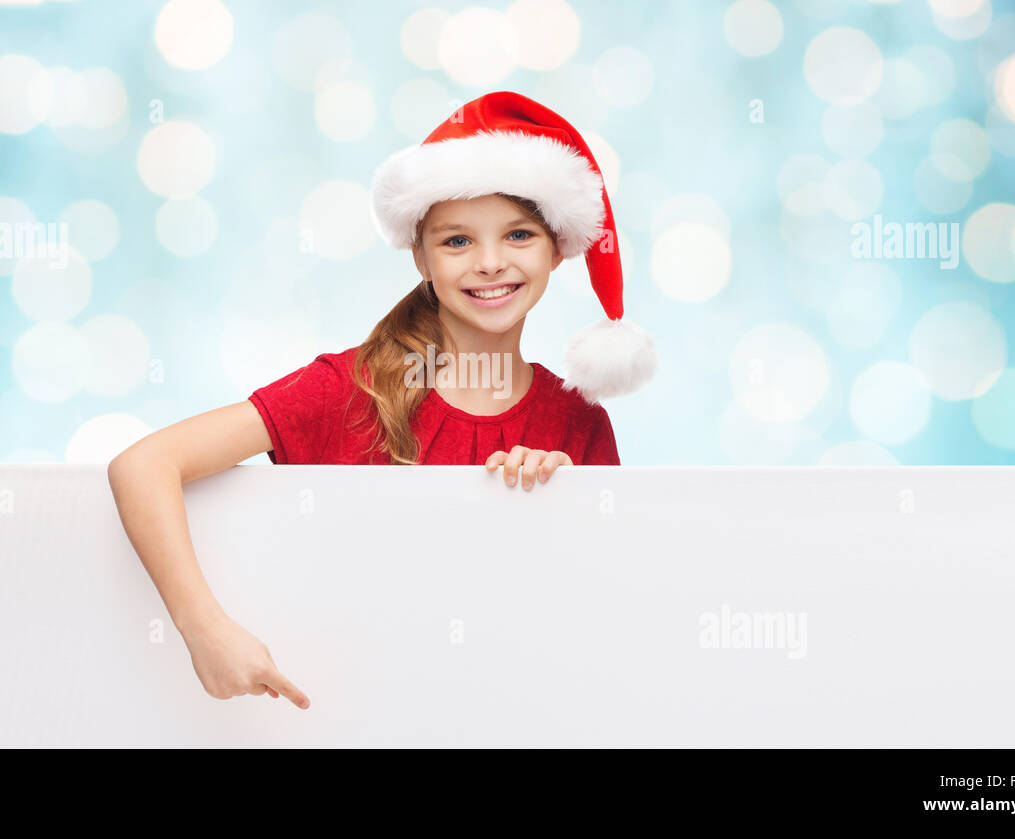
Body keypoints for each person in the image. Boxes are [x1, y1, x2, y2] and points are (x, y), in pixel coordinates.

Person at [107, 91, 658, 709]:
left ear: (556, 249)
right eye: (457, 241)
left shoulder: (577, 421)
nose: (490, 263)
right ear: (420, 256)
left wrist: (560, 504)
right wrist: (205, 631)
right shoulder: (348, 389)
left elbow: (604, 612)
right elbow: (144, 465)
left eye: (518, 234)